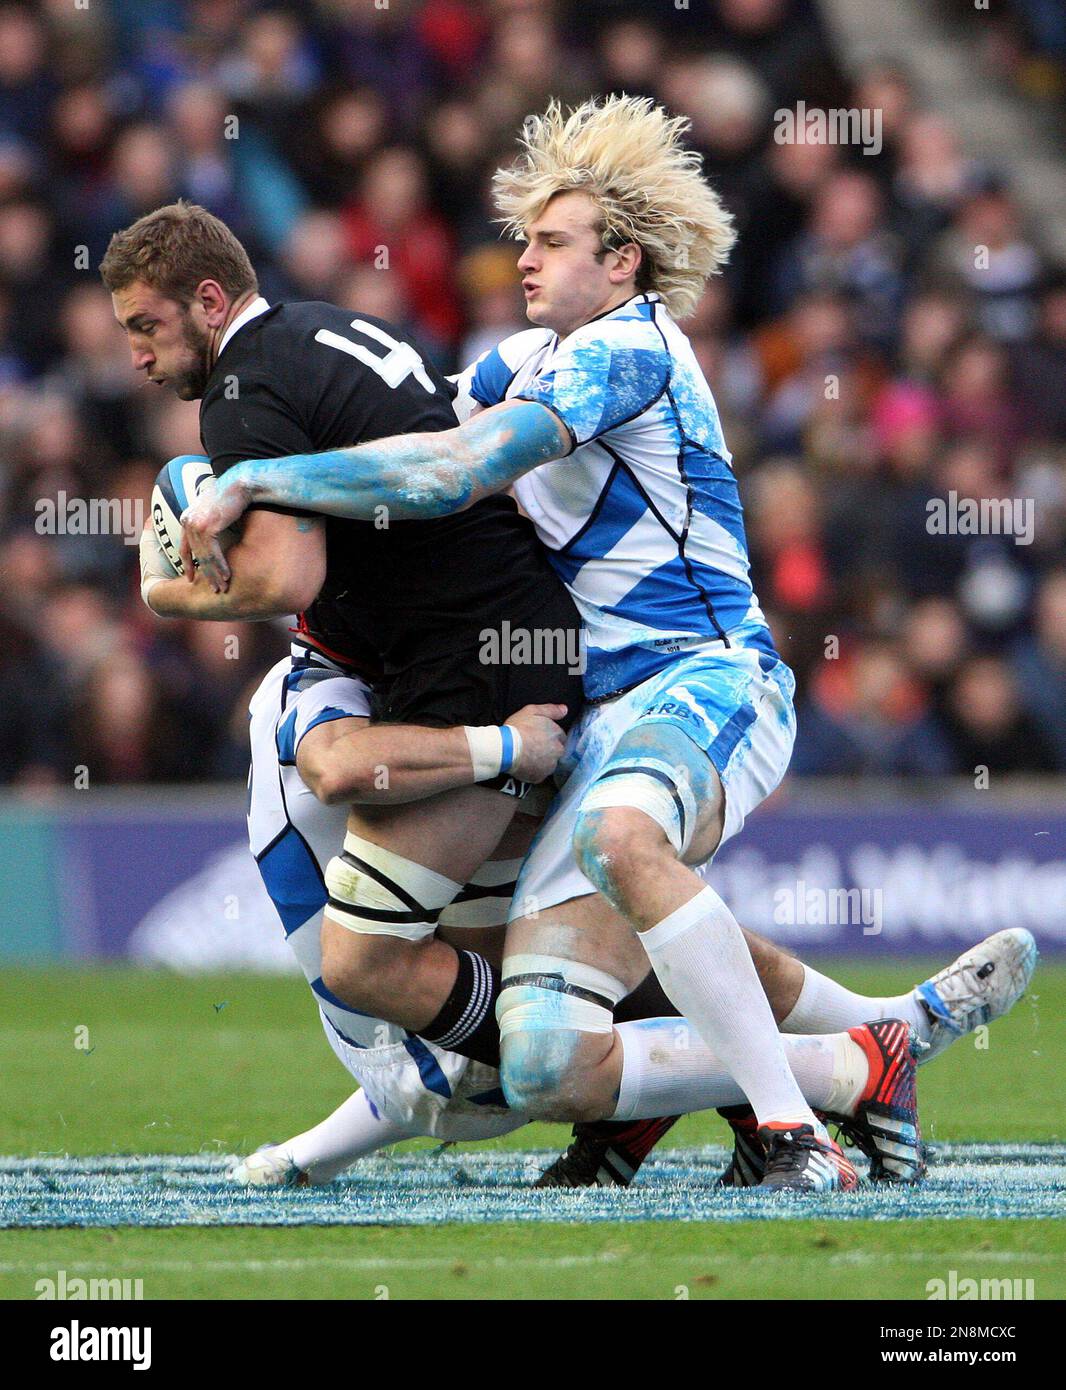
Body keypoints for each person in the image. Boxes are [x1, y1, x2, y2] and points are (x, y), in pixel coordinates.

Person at [179, 98, 1034, 1190]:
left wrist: (257, 476)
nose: (523, 258)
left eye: (551, 241)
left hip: (704, 678)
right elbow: (406, 436)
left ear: (623, 261)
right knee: (545, 1058)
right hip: (592, 723)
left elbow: (451, 473)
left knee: (624, 838)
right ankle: (875, 1041)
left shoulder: (629, 350)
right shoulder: (524, 358)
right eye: (524, 238)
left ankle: (789, 1126)